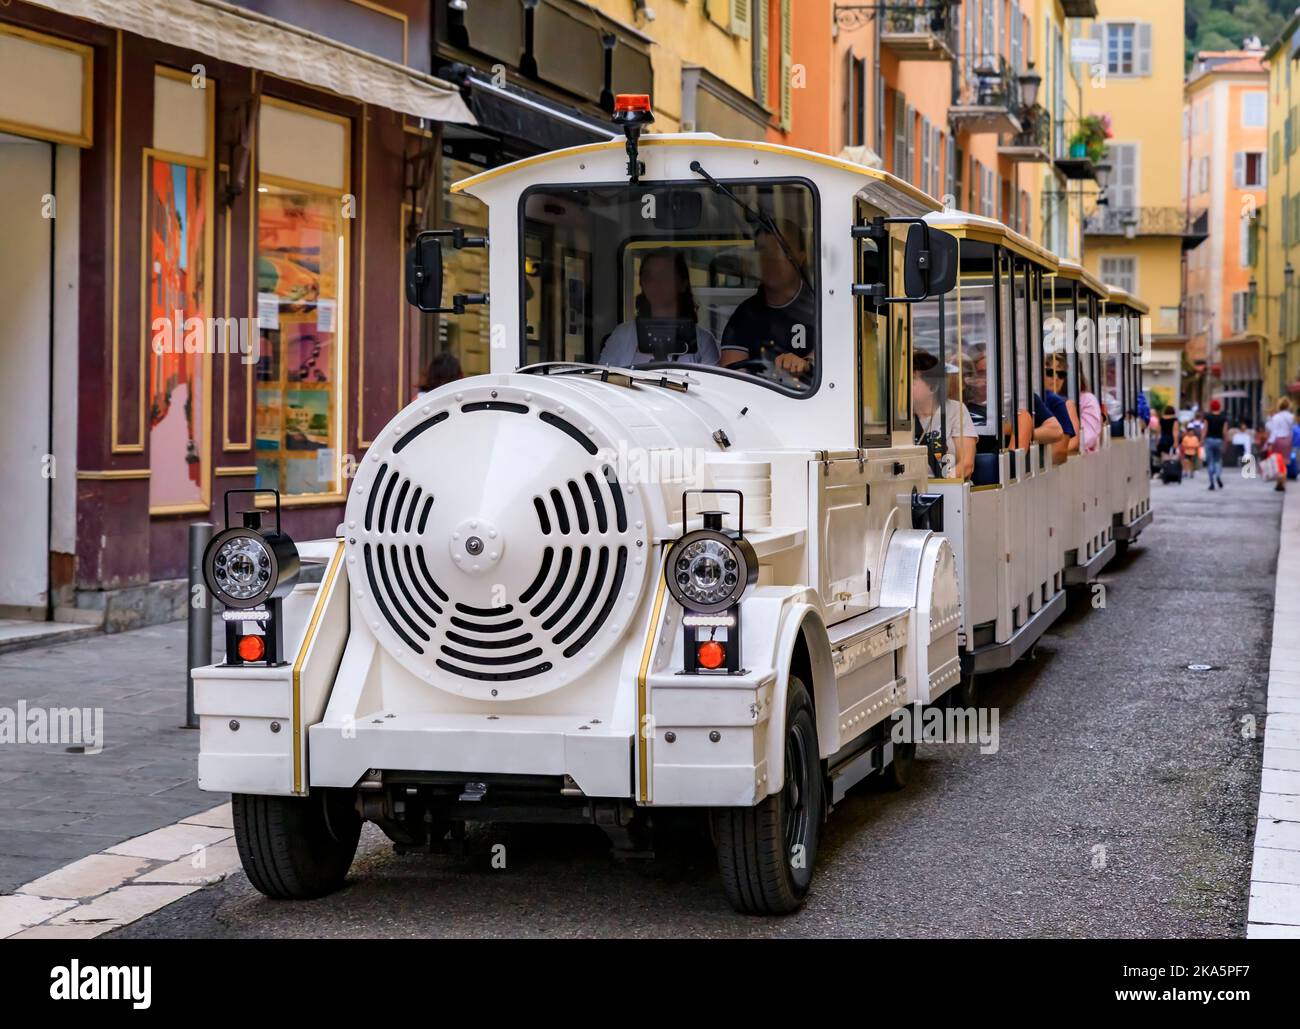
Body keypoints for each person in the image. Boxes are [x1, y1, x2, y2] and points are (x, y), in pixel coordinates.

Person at [720, 220, 817, 383]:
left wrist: (806, 364)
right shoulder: (744, 315)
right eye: (763, 252)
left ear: (801, 257)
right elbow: (729, 374)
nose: (770, 260)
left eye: (780, 252)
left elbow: (836, 353)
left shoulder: (822, 307)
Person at [598, 248, 720, 367]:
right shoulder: (622, 334)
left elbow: (711, 385)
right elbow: (603, 380)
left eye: (664, 275)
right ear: (642, 283)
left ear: (683, 284)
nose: (655, 282)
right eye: (649, 276)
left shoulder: (704, 341)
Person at [912, 353, 977, 480]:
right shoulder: (900, 417)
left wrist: (944, 485)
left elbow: (967, 465)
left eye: (913, 379)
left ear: (933, 386)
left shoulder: (955, 410)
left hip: (950, 489)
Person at [1266, 397, 1296, 492]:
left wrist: (1270, 442)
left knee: (1278, 462)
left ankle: (1279, 482)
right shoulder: (1291, 417)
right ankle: (1283, 482)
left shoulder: (1276, 417)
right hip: (1287, 440)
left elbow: (1274, 431)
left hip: (1278, 440)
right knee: (1285, 461)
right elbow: (1292, 430)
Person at [1203, 398, 1228, 490]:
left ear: (1211, 407)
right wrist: (1226, 442)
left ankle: (1211, 483)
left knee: (1210, 462)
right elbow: (1225, 431)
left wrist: (1202, 440)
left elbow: (1205, 429)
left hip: (1209, 440)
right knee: (1218, 460)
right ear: (1219, 407)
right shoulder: (1223, 418)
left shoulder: (1207, 417)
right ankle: (1217, 475)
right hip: (1219, 441)